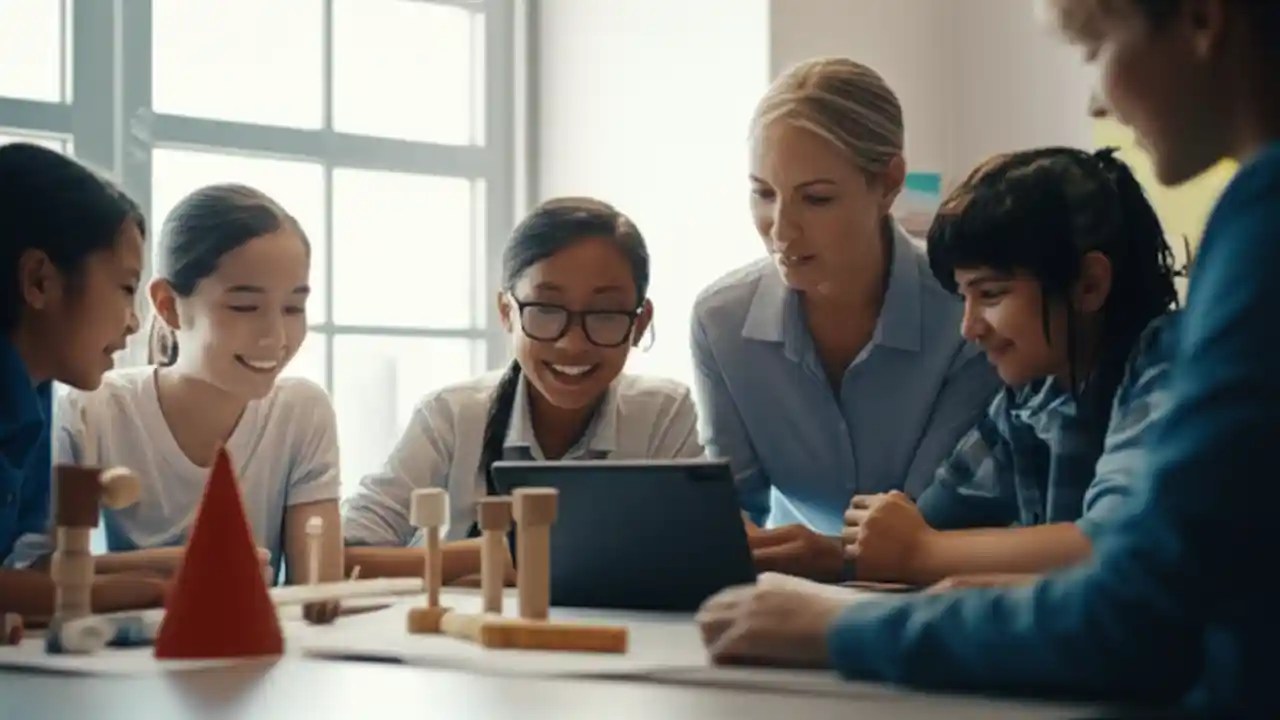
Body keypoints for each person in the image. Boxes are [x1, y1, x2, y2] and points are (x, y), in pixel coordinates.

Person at [697, 0, 1280, 714]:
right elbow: (928, 522)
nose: (1095, 100)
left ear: (1201, 19)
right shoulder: (1027, 400)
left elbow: (1136, 601)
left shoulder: (1225, 267)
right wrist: (849, 555)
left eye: (1095, 47)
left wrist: (848, 626)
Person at [691, 56, 1000, 580]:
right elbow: (731, 509)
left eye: (816, 199)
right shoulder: (719, 322)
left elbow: (937, 520)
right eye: (763, 193)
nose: (781, 230)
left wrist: (834, 559)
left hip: (938, 590)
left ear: (889, 183)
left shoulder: (965, 315)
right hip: (791, 585)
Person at [843, 147, 1179, 588]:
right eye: (964, 297)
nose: (969, 328)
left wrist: (922, 552)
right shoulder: (1031, 397)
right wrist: (828, 554)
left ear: (1089, 284)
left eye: (991, 294)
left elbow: (1119, 543)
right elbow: (933, 523)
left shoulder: (1171, 366)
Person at [343, 198, 702, 582]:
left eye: (604, 313)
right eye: (546, 309)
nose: (572, 344)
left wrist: (521, 557)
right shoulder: (451, 416)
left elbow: (703, 557)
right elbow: (338, 557)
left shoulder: (663, 414)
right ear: (506, 312)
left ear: (640, 323)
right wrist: (489, 556)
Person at [12, 184, 343, 588]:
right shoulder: (92, 409)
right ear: (168, 305)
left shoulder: (302, 411)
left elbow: (319, 593)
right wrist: (177, 568)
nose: (276, 336)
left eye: (294, 307)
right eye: (245, 306)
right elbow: (27, 574)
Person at [0, 142, 166, 619]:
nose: (134, 322)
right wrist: (152, 593)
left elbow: (24, 570)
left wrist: (164, 571)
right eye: (126, 288)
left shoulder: (35, 394)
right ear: (39, 281)